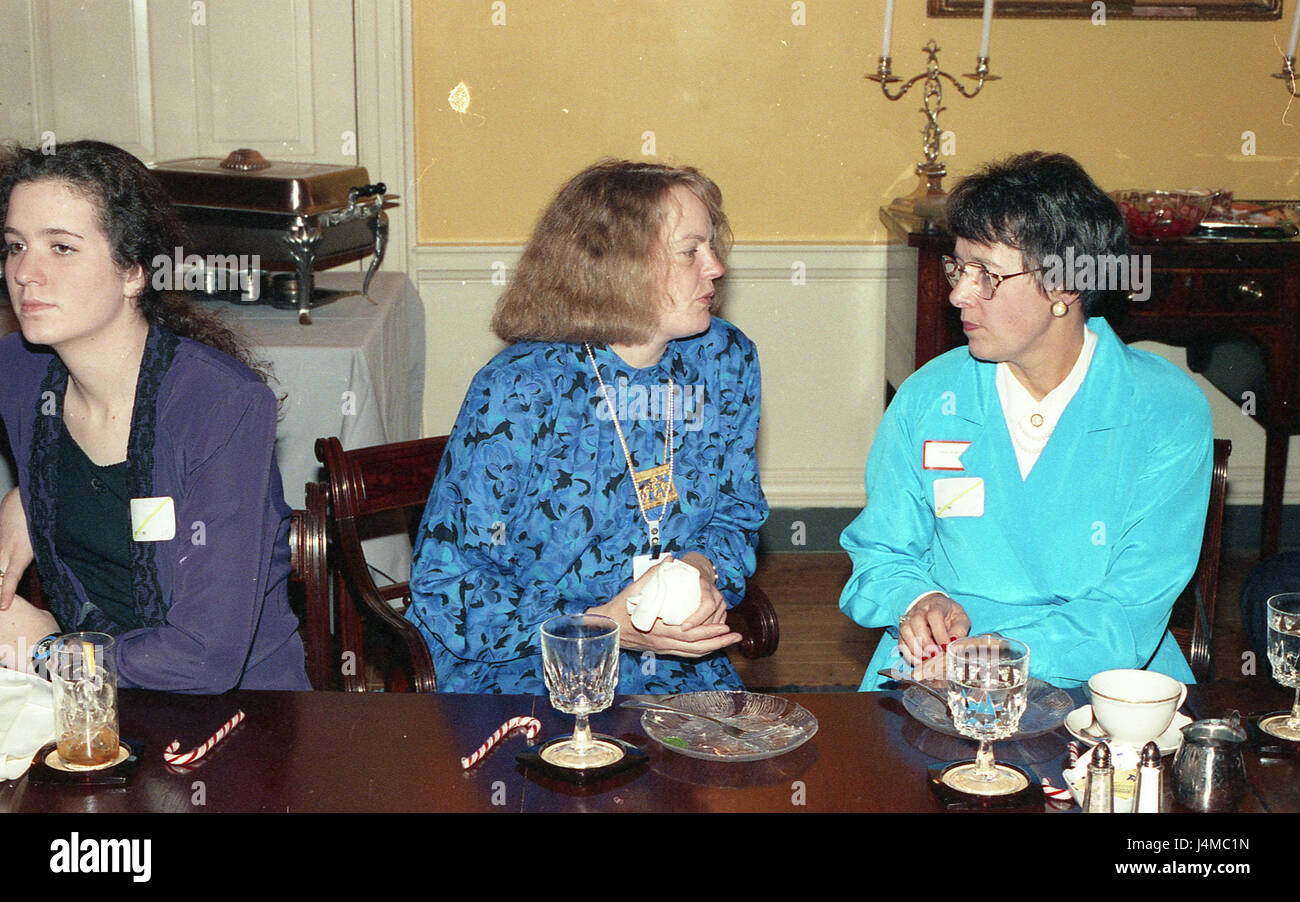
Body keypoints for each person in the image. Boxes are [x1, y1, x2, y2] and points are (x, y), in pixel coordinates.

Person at [840, 151, 1212, 690]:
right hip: (933, 671)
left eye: (986, 274)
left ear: (1065, 286)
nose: (957, 293)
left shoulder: (1164, 409)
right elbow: (882, 550)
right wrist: (916, 600)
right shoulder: (931, 396)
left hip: (1101, 673)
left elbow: (1131, 606)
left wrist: (1003, 653)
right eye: (958, 267)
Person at [407, 159, 767, 694]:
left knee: (732, 768)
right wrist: (609, 626)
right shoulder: (522, 388)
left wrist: (698, 573)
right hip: (525, 663)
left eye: (711, 247)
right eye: (690, 251)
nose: (715, 267)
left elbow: (737, 517)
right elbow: (448, 591)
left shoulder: (724, 360)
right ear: (619, 266)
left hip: (673, 662)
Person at [0, 140, 309, 692]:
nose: (26, 273)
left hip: (236, 721)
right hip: (90, 708)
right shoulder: (21, 373)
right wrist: (26, 495)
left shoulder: (221, 405)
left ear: (134, 273)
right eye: (16, 245)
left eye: (62, 248)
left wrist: (50, 652)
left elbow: (204, 658)